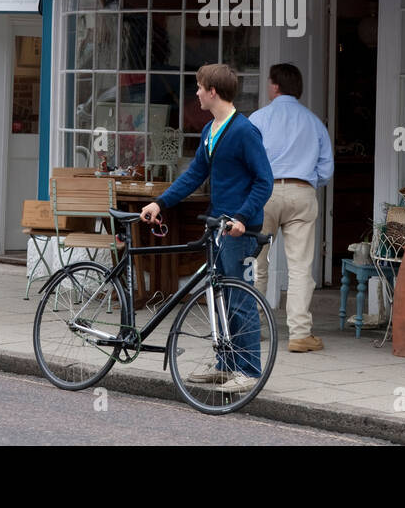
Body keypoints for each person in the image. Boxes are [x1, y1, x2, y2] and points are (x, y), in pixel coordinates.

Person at [141, 63, 273, 391]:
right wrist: (161, 202)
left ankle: (250, 372)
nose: (197, 93)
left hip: (238, 230)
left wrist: (242, 217)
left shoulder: (244, 131)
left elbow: (264, 181)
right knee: (221, 297)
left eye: (200, 87)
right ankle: (225, 366)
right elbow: (194, 174)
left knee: (240, 298)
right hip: (218, 226)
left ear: (213, 91)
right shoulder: (210, 130)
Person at [248, 63, 334, 352]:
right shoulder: (313, 122)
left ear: (274, 87)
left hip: (265, 192)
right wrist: (307, 182)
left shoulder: (258, 119)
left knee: (257, 261)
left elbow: (245, 160)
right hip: (301, 190)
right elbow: (325, 169)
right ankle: (299, 334)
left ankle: (252, 326)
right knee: (299, 267)